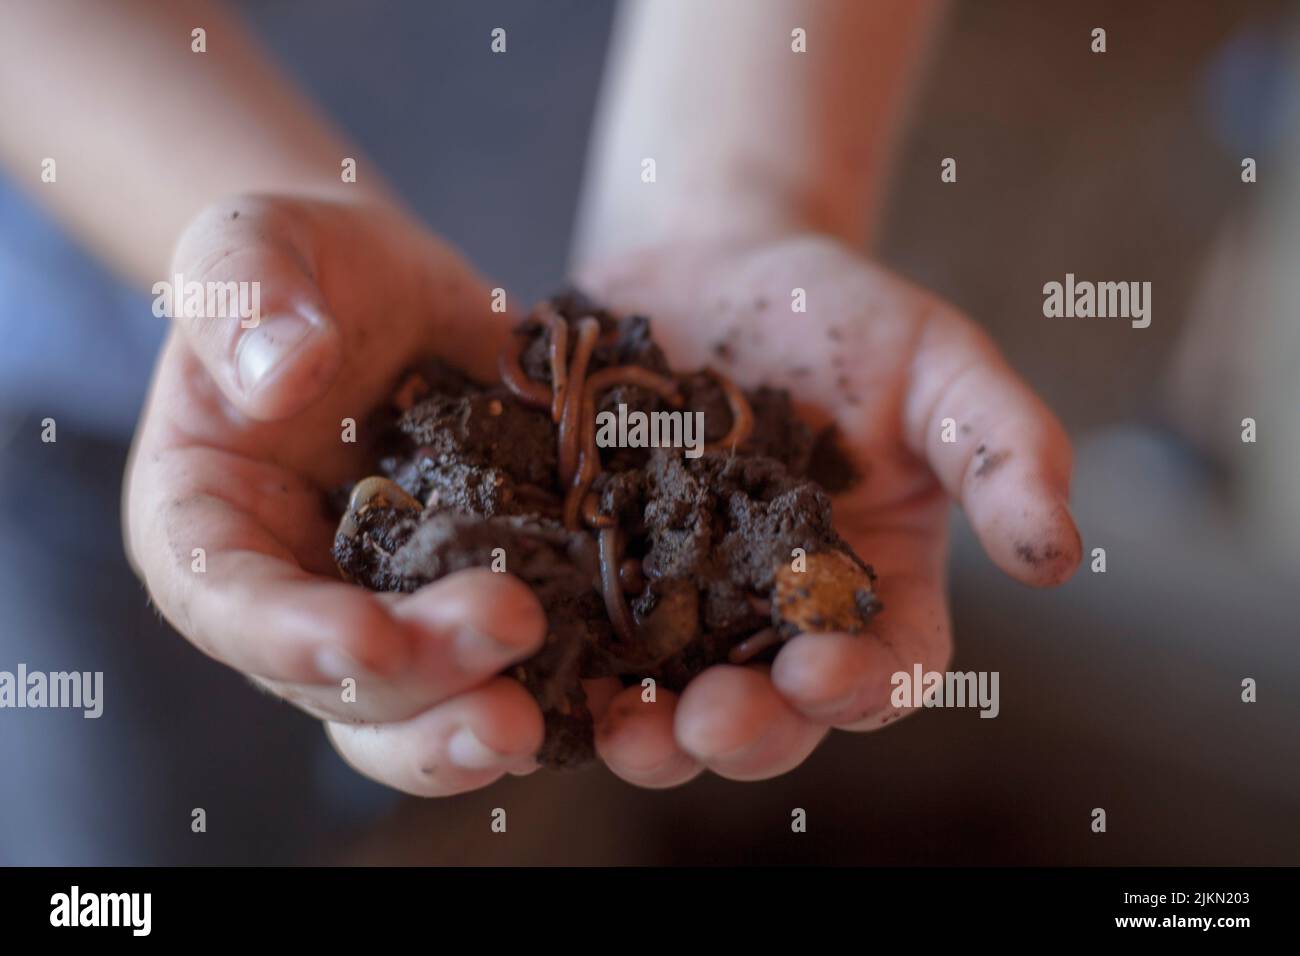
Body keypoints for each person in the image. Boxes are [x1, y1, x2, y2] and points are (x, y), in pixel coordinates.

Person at [0, 0, 1079, 861]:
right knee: (137, 814)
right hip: (98, 365)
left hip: (613, 179)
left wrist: (745, 197)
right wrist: (271, 258)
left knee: (465, 746)